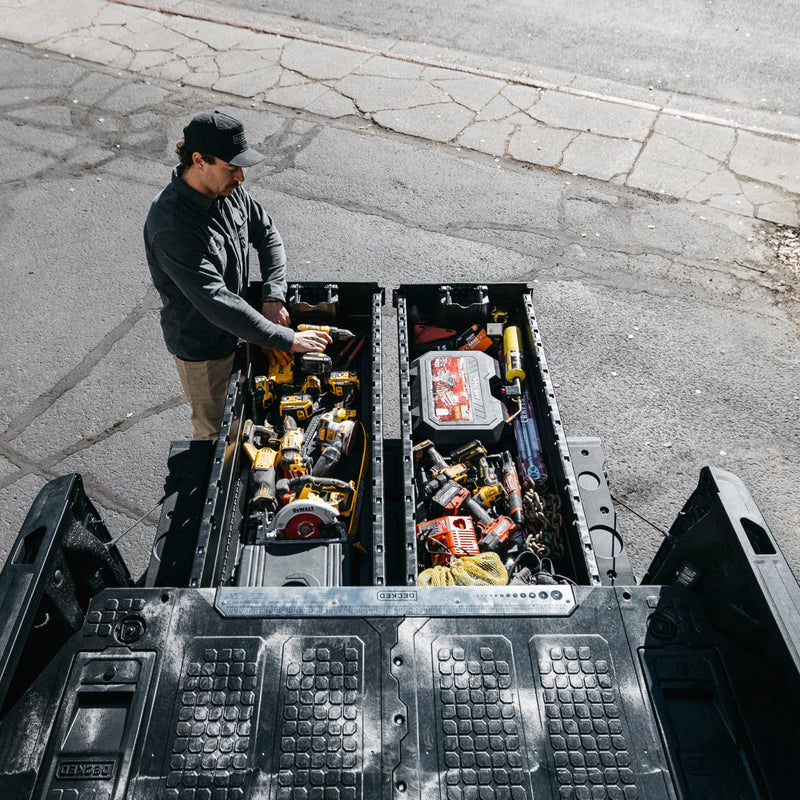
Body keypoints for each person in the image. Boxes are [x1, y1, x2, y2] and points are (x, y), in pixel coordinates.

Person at [144, 109, 330, 440]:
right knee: (217, 435)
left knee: (248, 411)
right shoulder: (172, 227)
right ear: (199, 160)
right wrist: (287, 340)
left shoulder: (227, 191)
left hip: (244, 329)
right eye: (231, 168)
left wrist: (273, 293)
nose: (241, 177)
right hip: (205, 351)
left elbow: (268, 234)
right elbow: (217, 301)